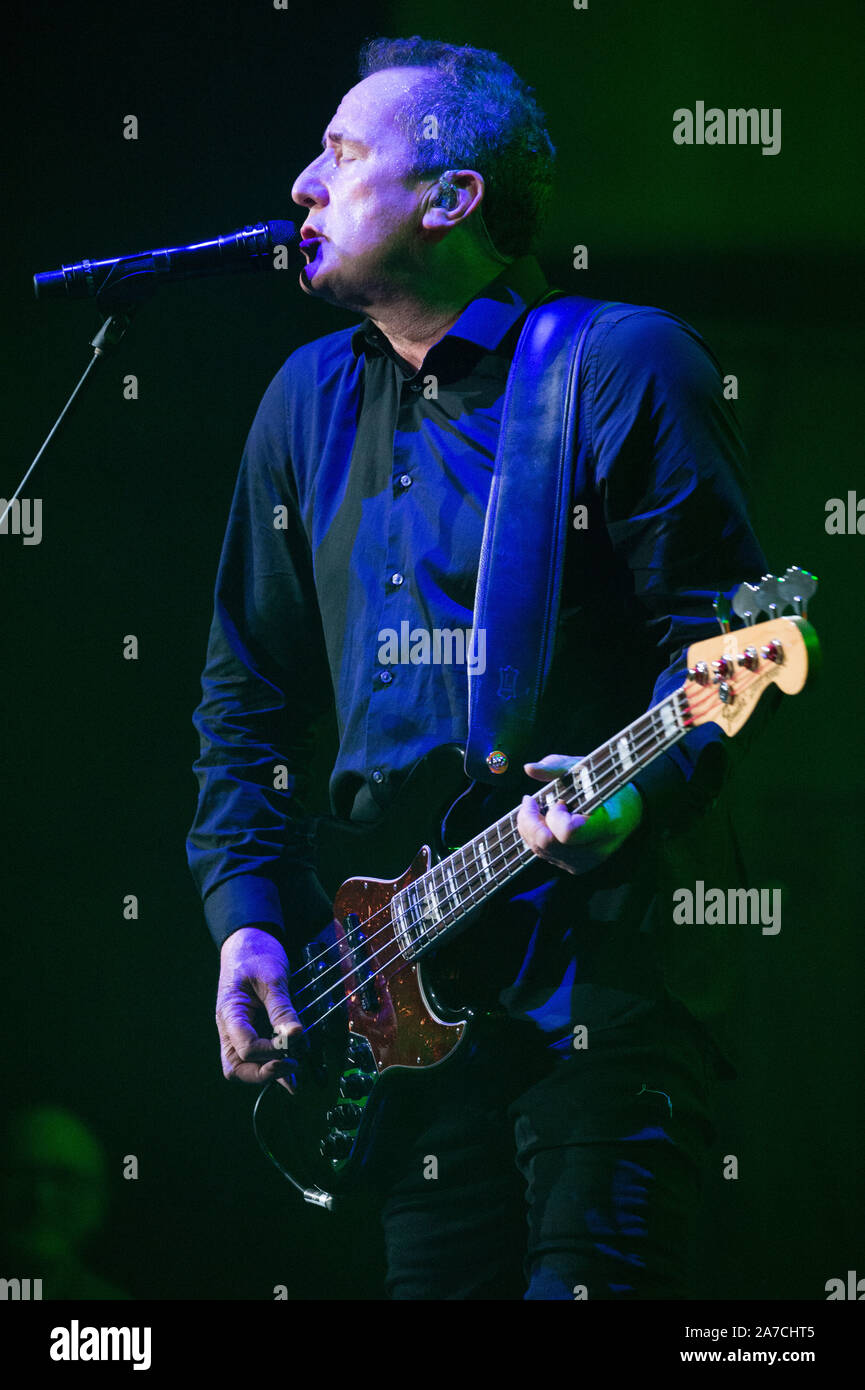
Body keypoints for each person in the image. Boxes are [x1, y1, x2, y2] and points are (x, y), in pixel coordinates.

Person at [187, 36, 775, 1299]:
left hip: (598, 986)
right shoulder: (300, 403)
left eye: (341, 154)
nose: (299, 181)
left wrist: (633, 797)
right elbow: (246, 694)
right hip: (400, 1010)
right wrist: (244, 920)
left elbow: (726, 653)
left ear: (451, 197)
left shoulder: (619, 366)